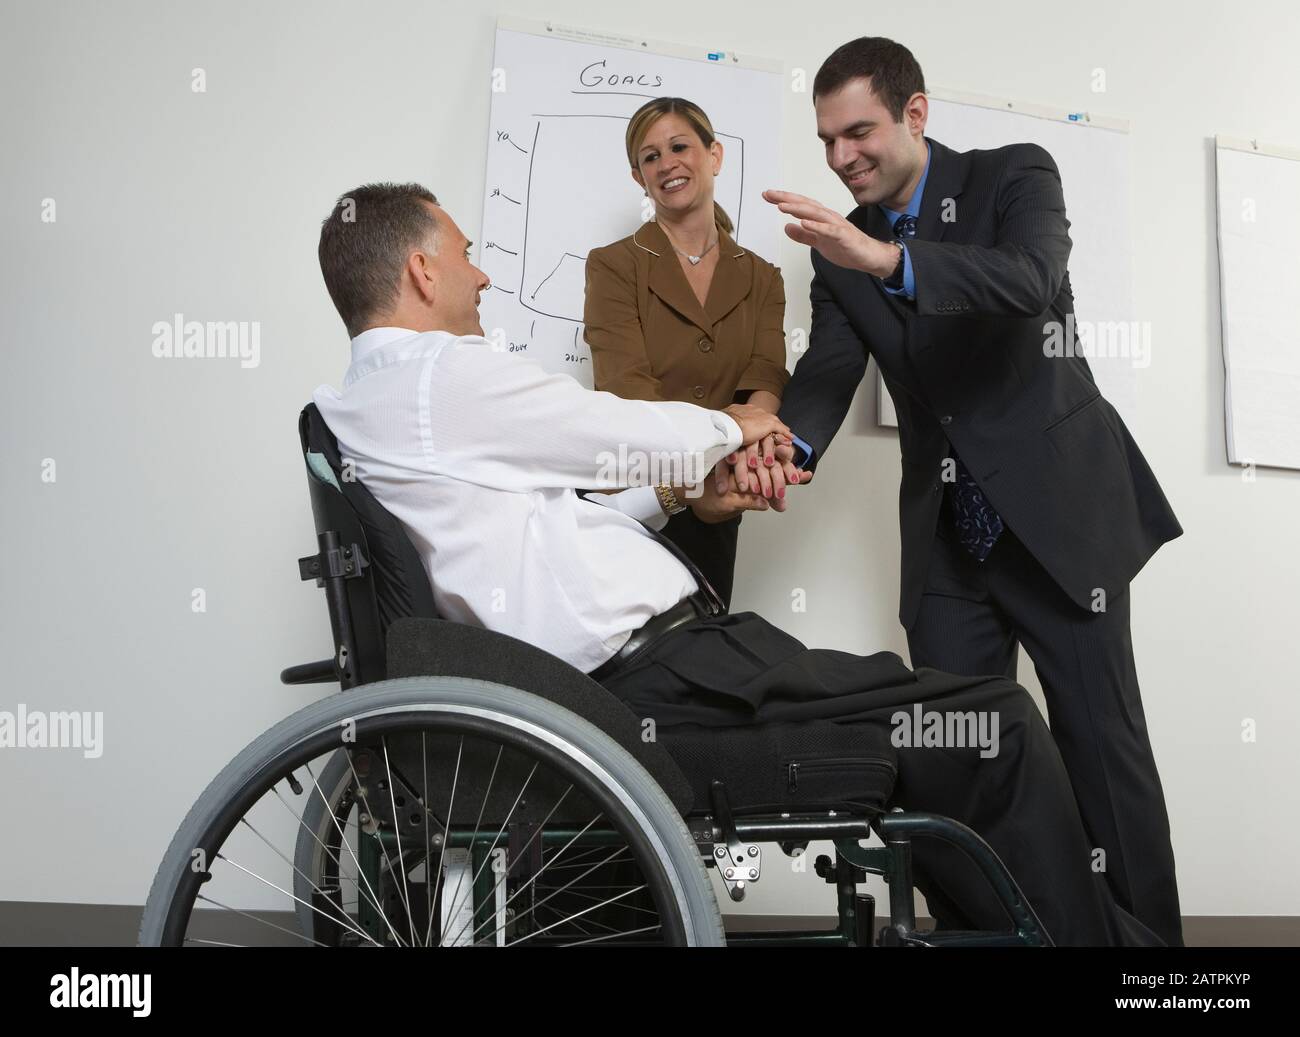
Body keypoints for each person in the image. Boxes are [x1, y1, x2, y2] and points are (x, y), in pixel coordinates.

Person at [311, 181, 1163, 946]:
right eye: (465, 256)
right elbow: (603, 427)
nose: (483, 276)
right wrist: (737, 426)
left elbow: (549, 513)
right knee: (998, 722)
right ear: (423, 271)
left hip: (675, 664)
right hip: (669, 682)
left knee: (960, 723)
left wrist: (690, 495)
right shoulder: (435, 378)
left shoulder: (380, 407)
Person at [762, 37, 1184, 946]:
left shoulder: (1014, 177)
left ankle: (1153, 968)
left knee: (1102, 753)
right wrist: (779, 449)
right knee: (952, 763)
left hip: (1059, 522)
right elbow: (828, 375)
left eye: (859, 132)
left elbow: (1028, 283)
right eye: (828, 139)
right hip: (951, 542)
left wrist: (888, 264)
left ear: (916, 113)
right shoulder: (840, 250)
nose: (842, 158)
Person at [584, 97, 797, 610]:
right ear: (639, 177)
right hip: (639, 496)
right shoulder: (613, 265)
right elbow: (625, 387)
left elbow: (763, 380)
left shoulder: (762, 276)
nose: (667, 164)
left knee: (708, 655)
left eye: (679, 146)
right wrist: (708, 462)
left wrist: (753, 459)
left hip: (722, 497)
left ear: (714, 155)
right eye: (650, 157)